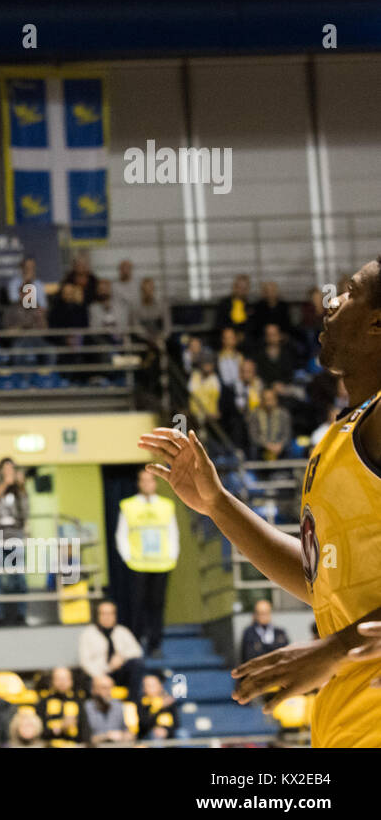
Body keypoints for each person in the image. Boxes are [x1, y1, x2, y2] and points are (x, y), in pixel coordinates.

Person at [146, 252, 381, 748]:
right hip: (346, 723)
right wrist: (217, 503)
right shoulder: (341, 435)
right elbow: (321, 583)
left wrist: (337, 646)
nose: (330, 302)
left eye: (350, 292)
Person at [116, 468, 179, 656]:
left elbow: (172, 532)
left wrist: (173, 556)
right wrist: (128, 557)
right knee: (137, 605)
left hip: (162, 564)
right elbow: (121, 534)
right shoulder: (128, 505)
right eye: (143, 480)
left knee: (157, 606)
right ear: (138, 483)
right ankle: (136, 643)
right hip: (138, 564)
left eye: (150, 480)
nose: (147, 484)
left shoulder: (167, 505)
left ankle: (155, 644)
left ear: (155, 483)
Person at [0, 457, 29, 626]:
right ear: (0, 470)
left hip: (15, 534)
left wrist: (21, 488)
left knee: (19, 577)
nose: (9, 471)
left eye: (12, 469)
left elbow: (26, 512)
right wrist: (5, 485)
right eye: (6, 468)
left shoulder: (19, 490)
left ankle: (21, 614)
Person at [79, 600, 146, 699]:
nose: (107, 617)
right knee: (85, 679)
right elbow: (84, 661)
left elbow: (137, 651)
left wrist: (121, 657)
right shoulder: (88, 633)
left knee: (137, 664)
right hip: (97, 673)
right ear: (97, 615)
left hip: (118, 672)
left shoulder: (122, 631)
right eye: (104, 613)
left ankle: (133, 702)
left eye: (111, 613)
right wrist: (100, 676)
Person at [38, 666, 86, 747]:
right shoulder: (44, 702)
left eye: (65, 679)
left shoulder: (78, 701)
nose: (62, 682)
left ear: (71, 681)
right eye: (58, 679)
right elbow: (39, 730)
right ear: (52, 681)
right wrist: (59, 728)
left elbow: (85, 728)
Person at [84, 673, 131, 746]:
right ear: (93, 690)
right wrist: (106, 736)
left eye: (111, 688)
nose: (108, 692)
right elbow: (84, 738)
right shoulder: (86, 707)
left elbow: (128, 732)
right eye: (104, 688)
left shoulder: (118, 705)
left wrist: (124, 735)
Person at [241, 599, 290, 664]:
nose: (263, 616)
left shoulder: (280, 633)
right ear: (255, 614)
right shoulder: (249, 634)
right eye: (260, 613)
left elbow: (286, 655)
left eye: (266, 613)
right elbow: (246, 657)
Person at [136, 674, 177, 741]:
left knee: (181, 733)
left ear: (160, 686)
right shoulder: (142, 703)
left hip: (168, 733)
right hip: (148, 735)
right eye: (148, 686)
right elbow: (144, 725)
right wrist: (158, 707)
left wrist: (166, 731)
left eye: (154, 685)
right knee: (156, 735)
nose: (152, 688)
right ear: (144, 689)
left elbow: (176, 724)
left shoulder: (168, 702)